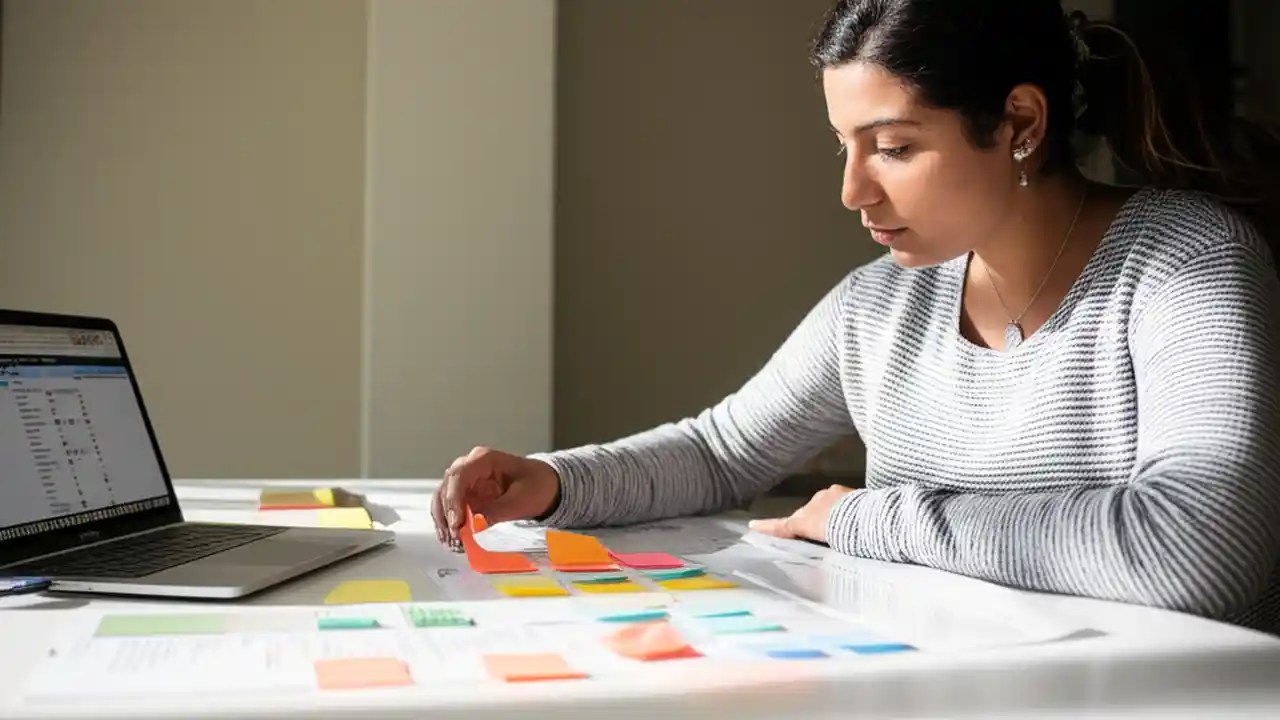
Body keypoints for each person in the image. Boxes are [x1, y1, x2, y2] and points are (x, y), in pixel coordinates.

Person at [431, 0, 1280, 633]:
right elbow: (719, 451)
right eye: (845, 145)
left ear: (1019, 122)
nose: (852, 191)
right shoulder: (879, 305)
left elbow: (1197, 547)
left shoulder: (1185, 262)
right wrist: (552, 484)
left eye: (896, 147)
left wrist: (864, 519)